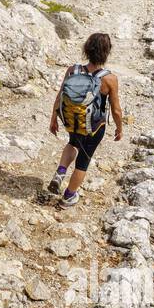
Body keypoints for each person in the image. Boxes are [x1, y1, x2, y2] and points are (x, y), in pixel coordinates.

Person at [47, 32, 123, 208]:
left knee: (72, 143)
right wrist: (119, 128)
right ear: (107, 52)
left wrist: (54, 118)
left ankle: (61, 172)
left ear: (87, 49)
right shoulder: (109, 78)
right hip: (94, 127)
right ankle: (68, 196)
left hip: (72, 120)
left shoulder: (73, 70)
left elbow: (60, 96)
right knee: (83, 161)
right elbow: (116, 110)